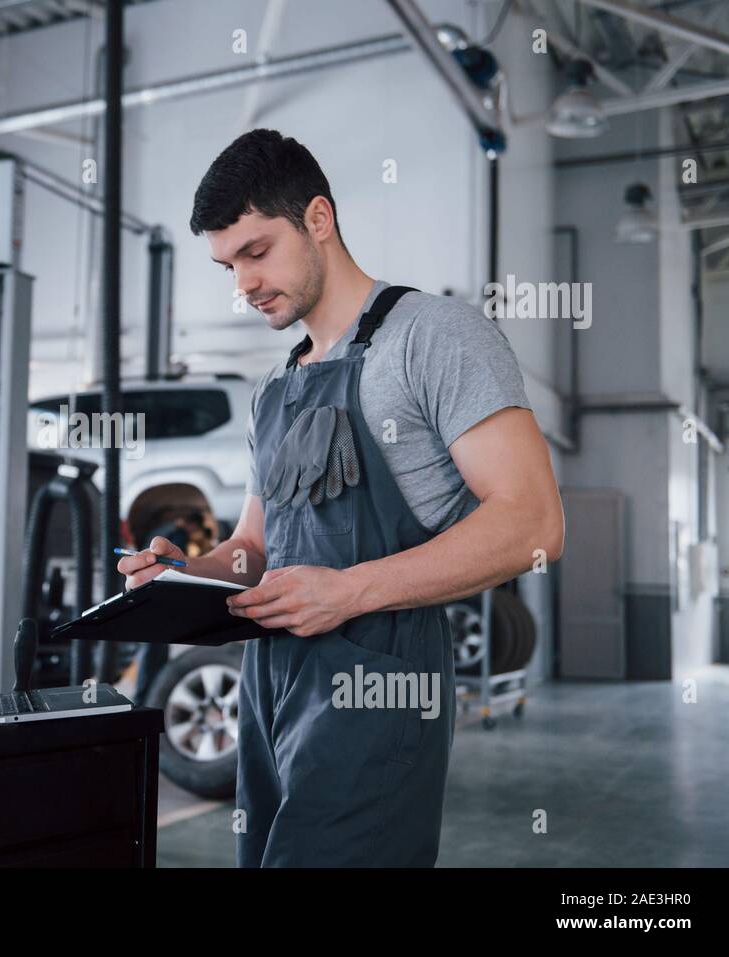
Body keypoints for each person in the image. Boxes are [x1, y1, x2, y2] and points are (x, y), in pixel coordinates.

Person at [118, 129, 563, 867]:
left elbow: (534, 522)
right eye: (228, 265)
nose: (243, 285)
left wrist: (348, 592)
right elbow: (255, 551)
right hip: (270, 685)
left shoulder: (435, 336)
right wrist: (183, 573)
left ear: (318, 219)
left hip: (378, 685)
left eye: (256, 252)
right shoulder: (272, 389)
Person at [130, 511, 207, 699]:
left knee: (148, 647)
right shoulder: (179, 534)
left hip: (143, 590)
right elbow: (176, 567)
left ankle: (145, 696)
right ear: (191, 524)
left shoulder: (159, 530)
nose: (194, 533)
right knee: (155, 650)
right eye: (196, 529)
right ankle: (149, 697)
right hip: (160, 595)